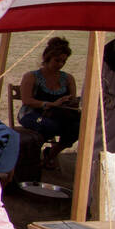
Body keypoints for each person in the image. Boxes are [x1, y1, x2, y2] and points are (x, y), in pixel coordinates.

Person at [18, 36, 81, 169]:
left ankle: (51, 153)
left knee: (78, 126)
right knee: (49, 126)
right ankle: (32, 157)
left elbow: (72, 100)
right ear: (47, 58)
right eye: (57, 60)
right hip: (33, 113)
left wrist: (72, 103)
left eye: (64, 61)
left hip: (58, 114)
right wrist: (51, 104)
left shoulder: (68, 78)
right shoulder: (31, 76)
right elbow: (27, 100)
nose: (60, 64)